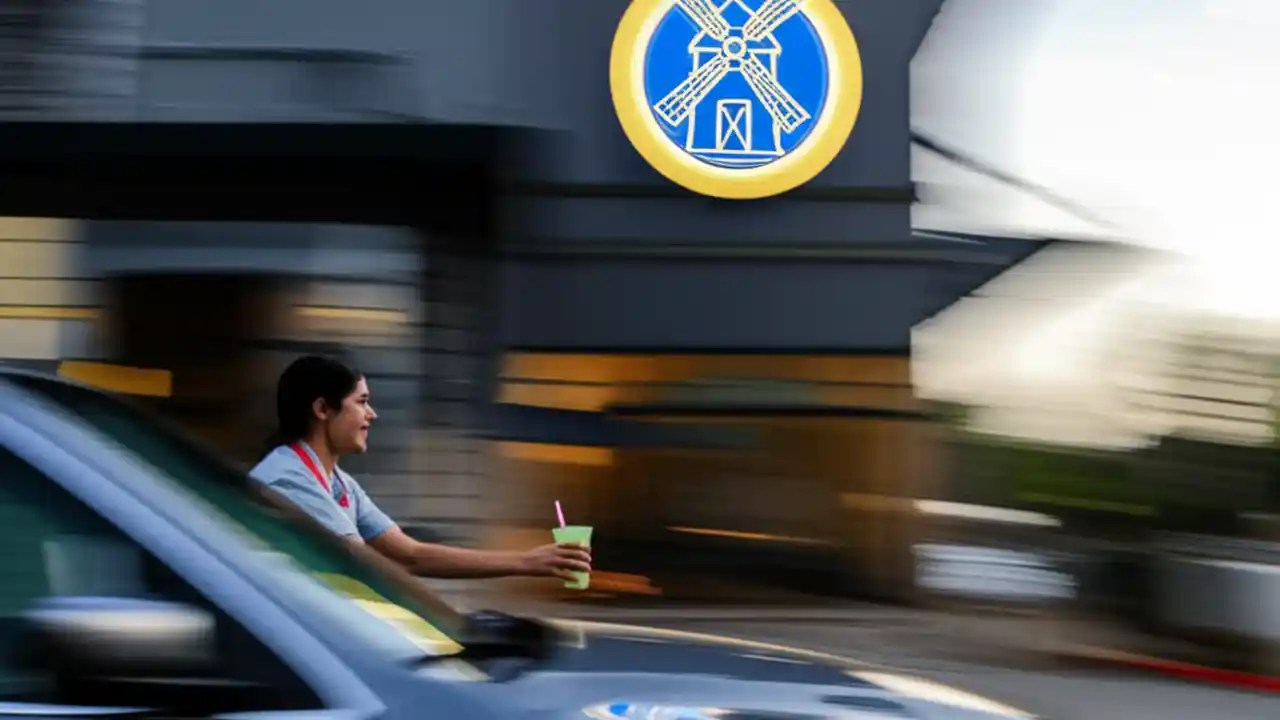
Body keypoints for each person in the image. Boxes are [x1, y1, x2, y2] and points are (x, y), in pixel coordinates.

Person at [249, 355, 591, 581]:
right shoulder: (289, 479)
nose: (373, 415)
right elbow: (362, 565)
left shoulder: (339, 484)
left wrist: (527, 562)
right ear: (323, 409)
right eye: (363, 402)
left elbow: (412, 554)